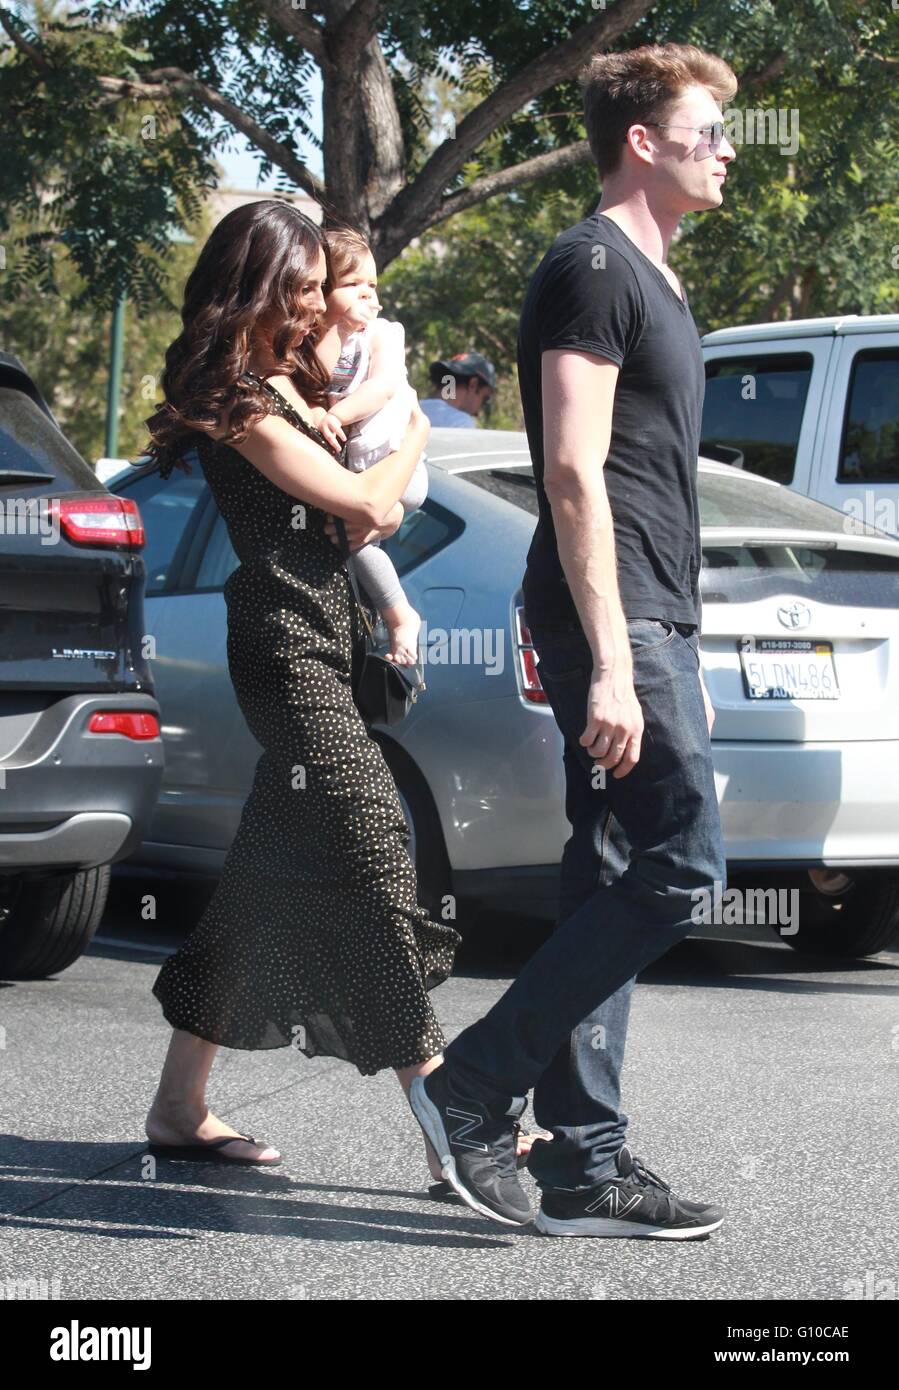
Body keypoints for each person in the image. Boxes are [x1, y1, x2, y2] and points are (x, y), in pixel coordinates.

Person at [408, 42, 737, 1237]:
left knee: (607, 866)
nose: (724, 151)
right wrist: (607, 653)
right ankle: (474, 1086)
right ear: (640, 141)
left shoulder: (652, 275)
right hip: (622, 612)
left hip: (647, 604)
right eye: (705, 130)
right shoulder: (591, 264)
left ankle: (581, 1158)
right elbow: (568, 468)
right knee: (682, 861)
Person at [311, 225, 427, 667]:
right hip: (364, 478)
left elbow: (382, 386)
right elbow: (317, 381)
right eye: (351, 283)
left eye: (372, 284)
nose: (366, 293)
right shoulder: (325, 340)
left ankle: (400, 616)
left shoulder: (382, 334)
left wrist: (337, 416)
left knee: (354, 532)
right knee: (353, 541)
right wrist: (336, 328)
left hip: (397, 462)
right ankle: (395, 619)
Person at [420, 351, 496, 427]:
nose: (477, 413)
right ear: (473, 384)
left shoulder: (411, 409)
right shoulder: (460, 422)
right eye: (485, 399)